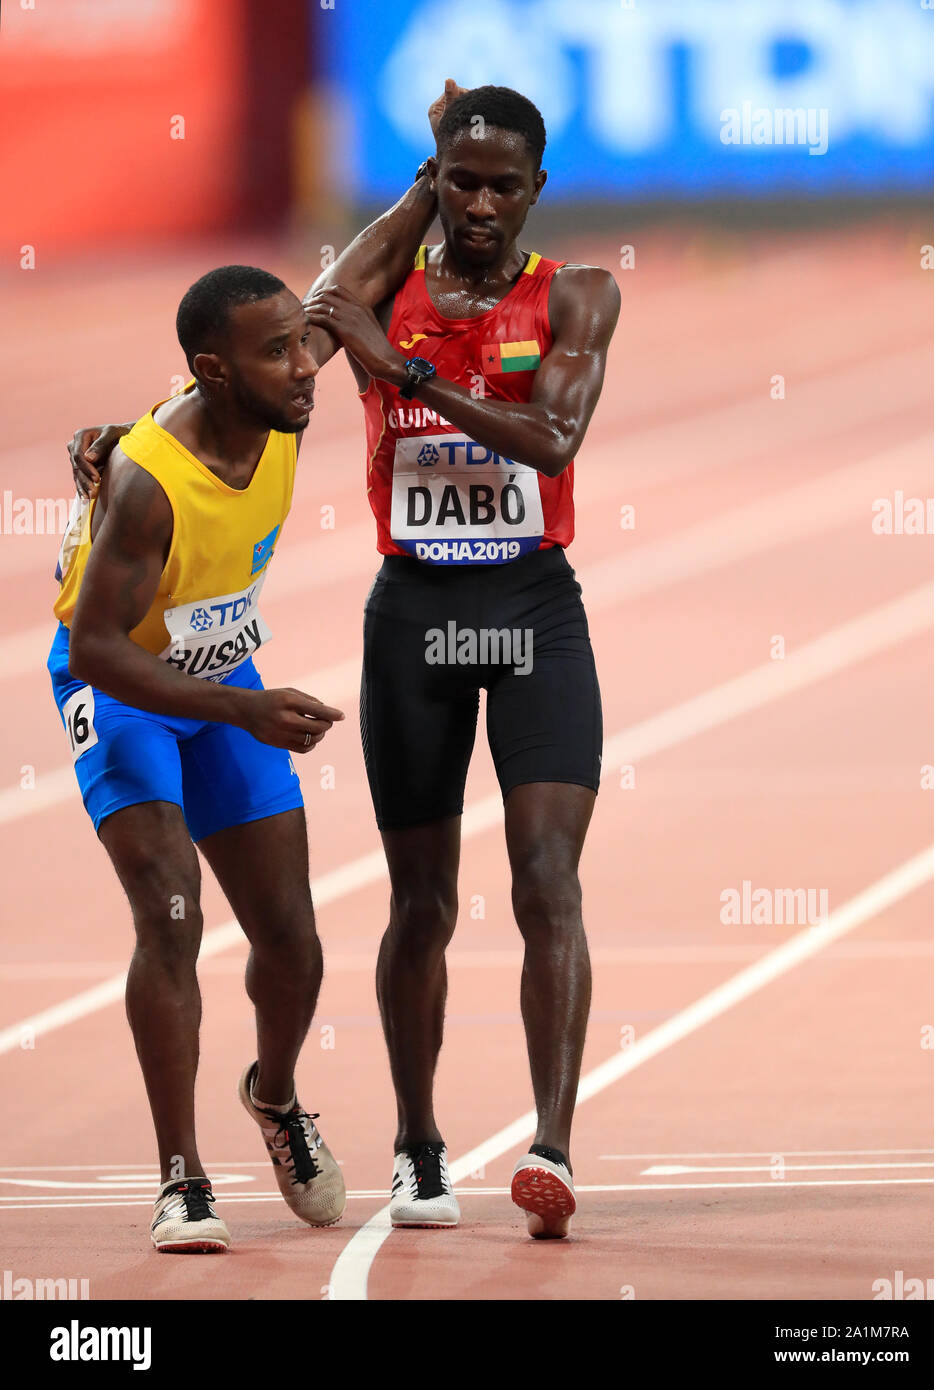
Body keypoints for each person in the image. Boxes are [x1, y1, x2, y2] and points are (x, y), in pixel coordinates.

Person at [70, 83, 620, 1241]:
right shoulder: (190, 439)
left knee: (498, 890)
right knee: (323, 905)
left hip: (509, 613)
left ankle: (524, 1144)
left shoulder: (553, 298)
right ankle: (329, 1158)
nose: (309, 369)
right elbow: (307, 313)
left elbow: (544, 432)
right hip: (309, 635)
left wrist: (402, 357)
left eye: (497, 183)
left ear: (533, 191)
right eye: (455, 179)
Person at [53, 96, 447, 1250]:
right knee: (170, 915)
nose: (307, 368)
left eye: (299, 346)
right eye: (277, 355)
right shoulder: (146, 480)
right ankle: (181, 1175)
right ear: (211, 372)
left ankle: (272, 1094)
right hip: (124, 683)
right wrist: (244, 706)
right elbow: (99, 648)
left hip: (220, 677)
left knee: (292, 940)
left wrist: (428, 178)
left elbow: (351, 283)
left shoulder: (272, 394)